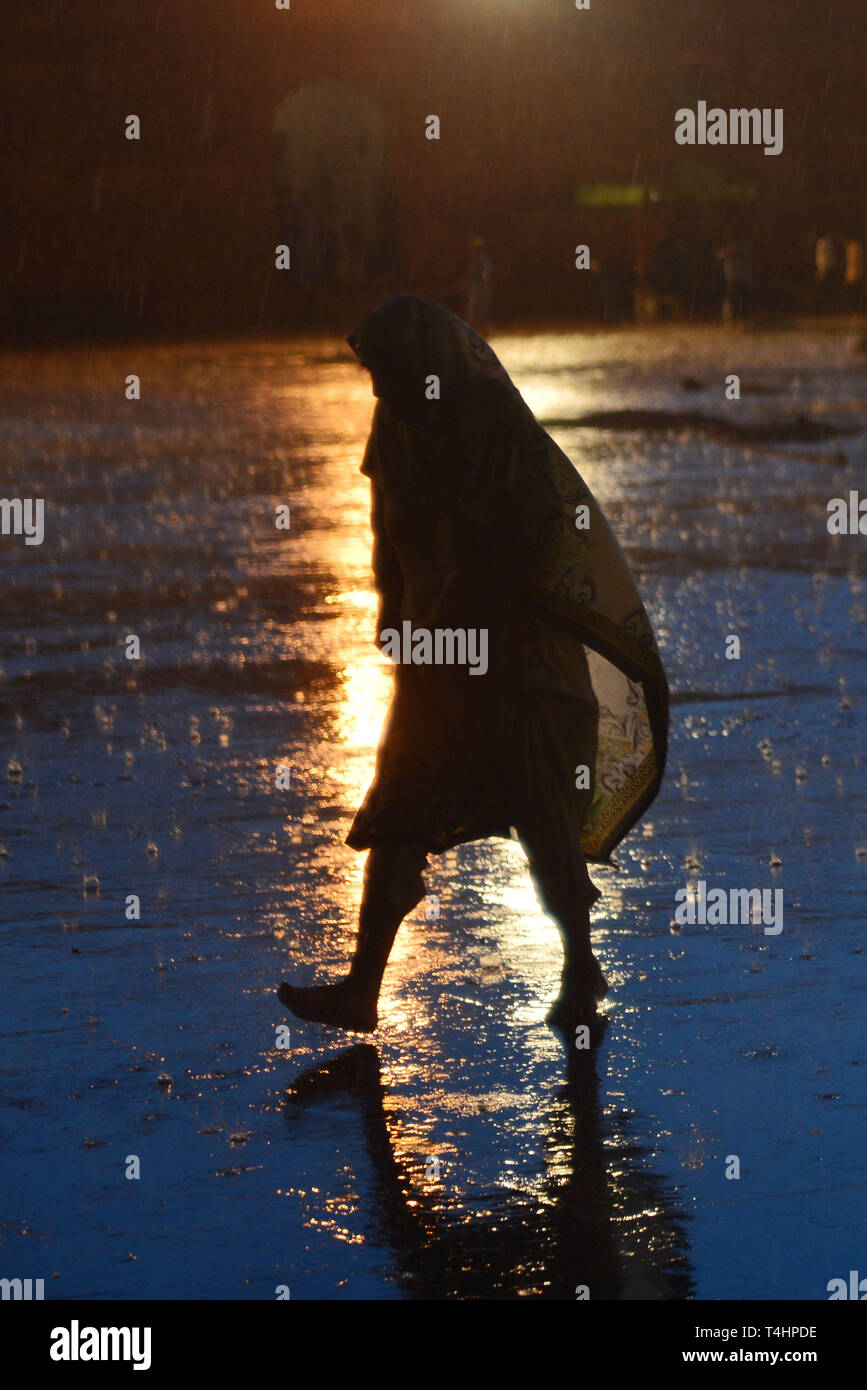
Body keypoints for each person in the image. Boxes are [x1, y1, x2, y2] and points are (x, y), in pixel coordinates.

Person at [278, 296, 668, 1036]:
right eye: (373, 375)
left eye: (389, 373)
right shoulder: (394, 424)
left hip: (519, 664)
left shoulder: (494, 432)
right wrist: (393, 614)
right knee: (398, 809)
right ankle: (362, 987)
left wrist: (443, 625)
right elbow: (382, 529)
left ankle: (578, 968)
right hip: (436, 662)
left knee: (542, 821)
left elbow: (523, 552)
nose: (378, 390)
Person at [464, 236, 493, 329]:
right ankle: (477, 323)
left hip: (478, 285)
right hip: (478, 284)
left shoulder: (480, 259)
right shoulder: (480, 259)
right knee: (478, 305)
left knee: (476, 305)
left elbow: (483, 273)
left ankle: (476, 323)